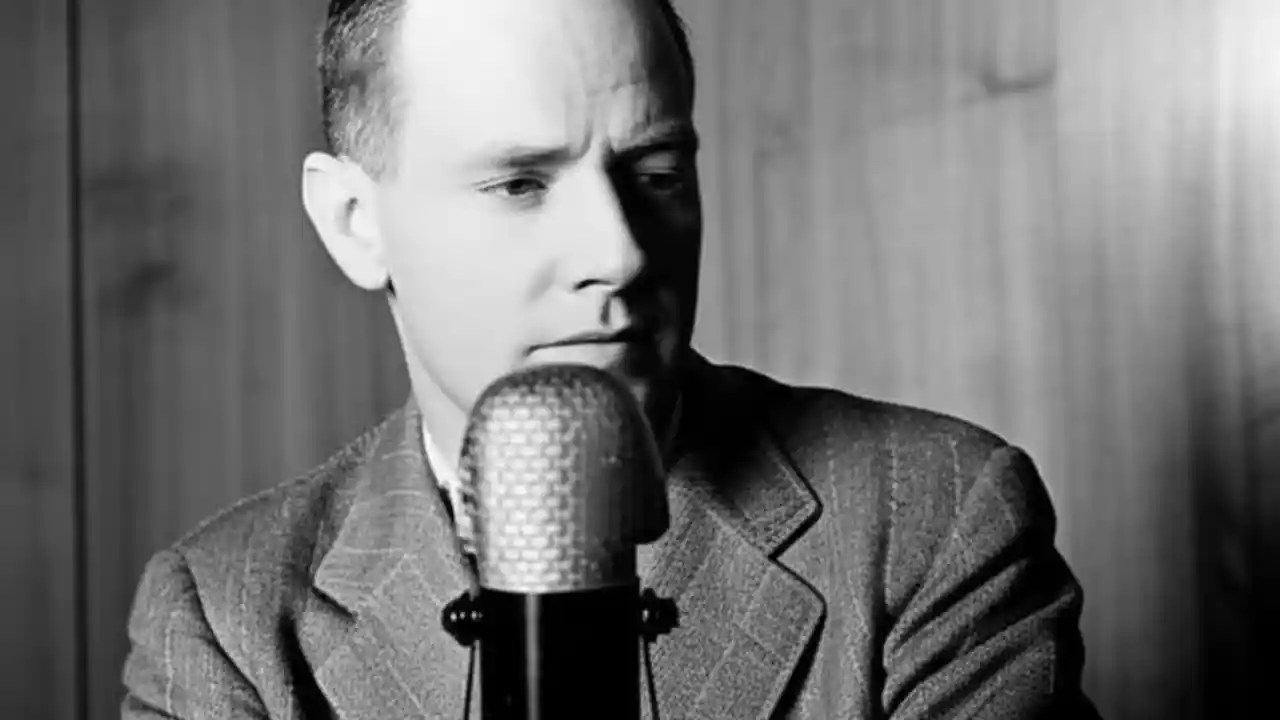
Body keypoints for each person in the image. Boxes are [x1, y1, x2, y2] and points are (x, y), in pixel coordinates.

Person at [120, 0, 1101, 717]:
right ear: (351, 221)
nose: (620, 252)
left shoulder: (935, 519)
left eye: (656, 174)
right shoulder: (225, 618)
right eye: (517, 183)